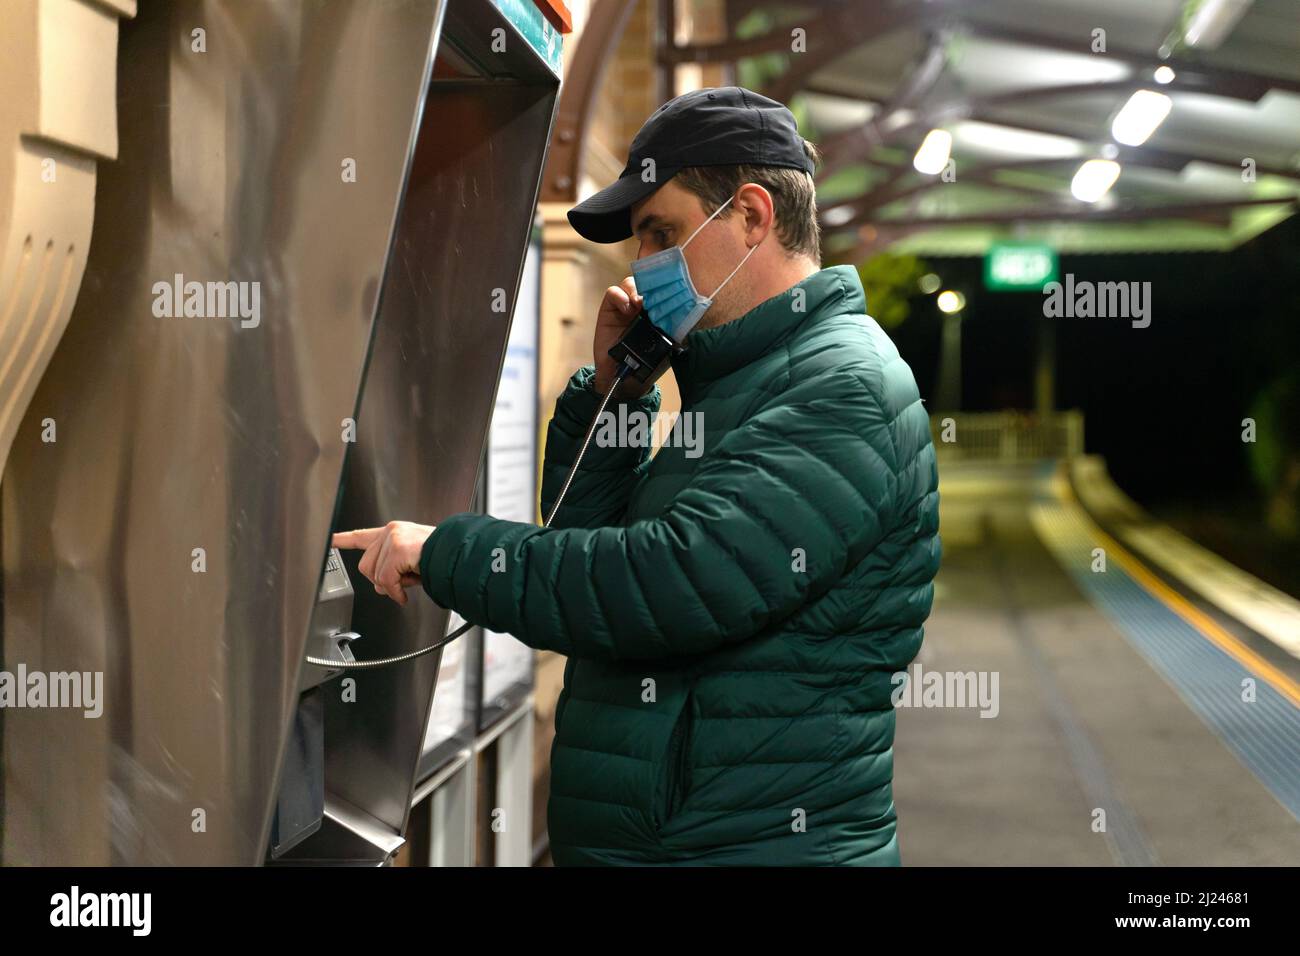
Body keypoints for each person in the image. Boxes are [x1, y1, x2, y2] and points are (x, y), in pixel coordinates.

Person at [333, 87, 941, 865]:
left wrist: (444, 552)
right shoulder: (740, 382)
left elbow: (662, 585)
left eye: (662, 231)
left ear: (752, 217)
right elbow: (587, 553)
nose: (642, 264)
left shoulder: (842, 388)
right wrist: (614, 394)